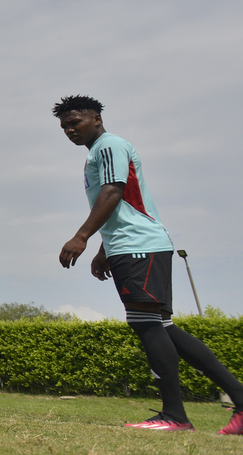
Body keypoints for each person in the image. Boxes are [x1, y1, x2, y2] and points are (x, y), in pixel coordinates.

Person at [54, 95, 243, 434]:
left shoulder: (108, 145)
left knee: (146, 323)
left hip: (139, 247)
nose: (70, 129)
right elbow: (120, 206)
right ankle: (239, 402)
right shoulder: (99, 151)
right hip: (135, 245)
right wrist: (103, 248)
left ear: (96, 118)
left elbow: (113, 191)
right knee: (162, 325)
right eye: (65, 126)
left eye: (76, 122)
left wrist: (80, 236)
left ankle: (174, 416)